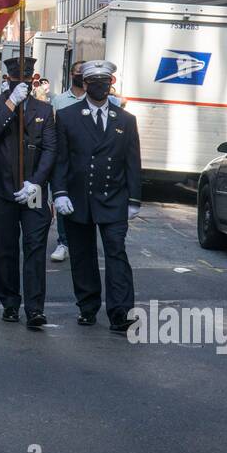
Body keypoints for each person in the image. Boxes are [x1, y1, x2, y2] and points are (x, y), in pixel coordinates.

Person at [52, 60, 142, 331]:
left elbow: (133, 162)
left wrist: (134, 199)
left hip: (114, 198)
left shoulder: (126, 120)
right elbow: (61, 160)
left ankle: (120, 312)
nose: (101, 86)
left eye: (106, 81)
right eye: (95, 82)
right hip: (78, 198)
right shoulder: (67, 116)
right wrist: (59, 193)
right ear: (86, 84)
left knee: (116, 253)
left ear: (111, 84)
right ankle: (87, 307)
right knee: (82, 255)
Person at [0, 51, 57, 329]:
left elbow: (51, 149)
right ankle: (10, 303)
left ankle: (35, 307)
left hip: (34, 189)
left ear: (35, 80)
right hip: (1, 188)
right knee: (5, 249)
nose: (22, 83)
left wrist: (36, 182)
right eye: (17, 79)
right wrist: (11, 103)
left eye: (27, 78)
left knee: (35, 247)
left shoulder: (43, 110)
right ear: (7, 79)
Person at [49, 60, 87, 263]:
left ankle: (82, 244)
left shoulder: (95, 100)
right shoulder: (59, 100)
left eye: (84, 72)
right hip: (65, 160)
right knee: (63, 201)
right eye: (78, 72)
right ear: (71, 74)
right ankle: (63, 242)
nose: (81, 75)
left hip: (87, 161)